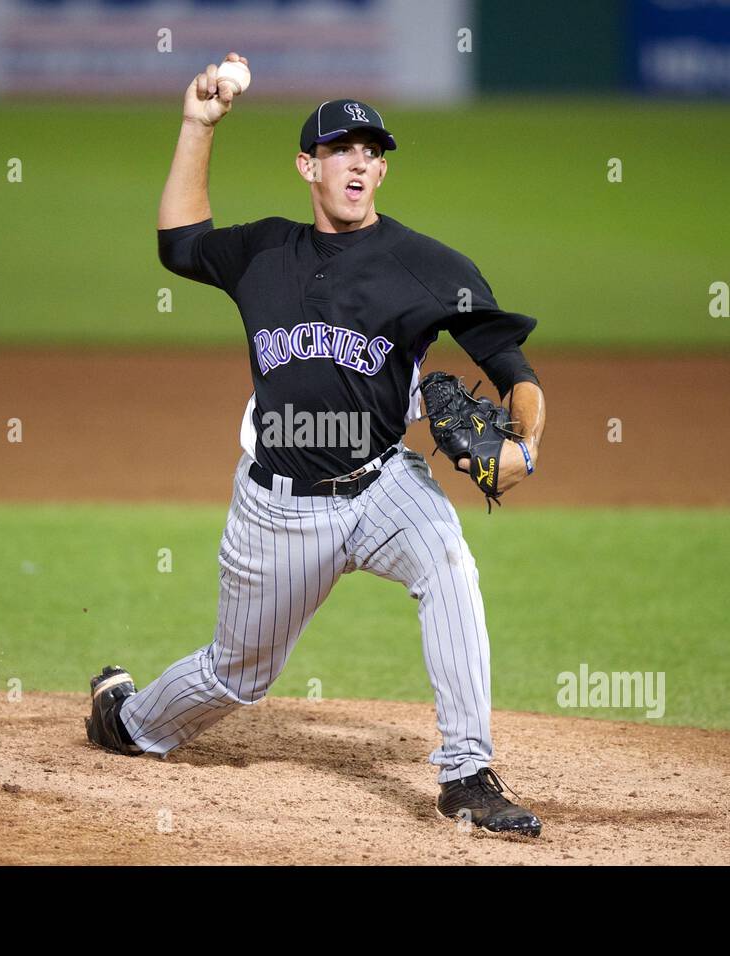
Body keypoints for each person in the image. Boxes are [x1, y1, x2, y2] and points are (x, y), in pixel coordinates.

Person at [86, 53, 548, 836]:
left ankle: (467, 774)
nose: (358, 163)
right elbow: (179, 244)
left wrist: (525, 445)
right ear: (308, 166)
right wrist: (198, 124)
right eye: (340, 150)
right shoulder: (264, 252)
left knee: (450, 566)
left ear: (382, 171)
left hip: (383, 484)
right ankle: (128, 721)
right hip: (279, 511)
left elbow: (511, 367)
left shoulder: (430, 267)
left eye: (371, 152)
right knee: (237, 676)